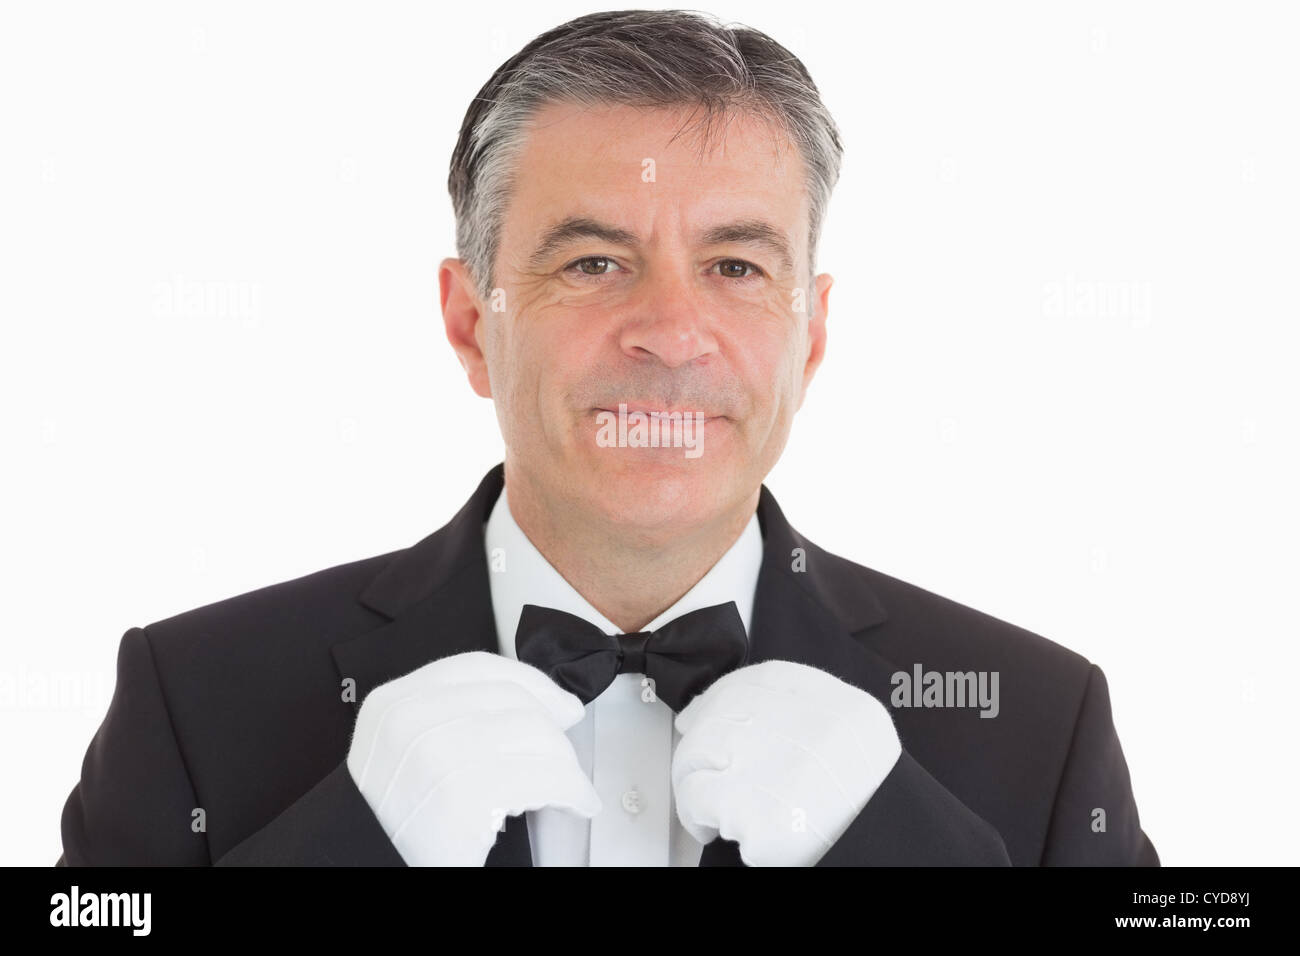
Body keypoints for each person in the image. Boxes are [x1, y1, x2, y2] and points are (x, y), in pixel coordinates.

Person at [57, 9, 1157, 867]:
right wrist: (349, 845)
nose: (670, 331)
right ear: (467, 322)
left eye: (734, 266)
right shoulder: (194, 696)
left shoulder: (1037, 720)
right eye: (592, 263)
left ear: (809, 333)